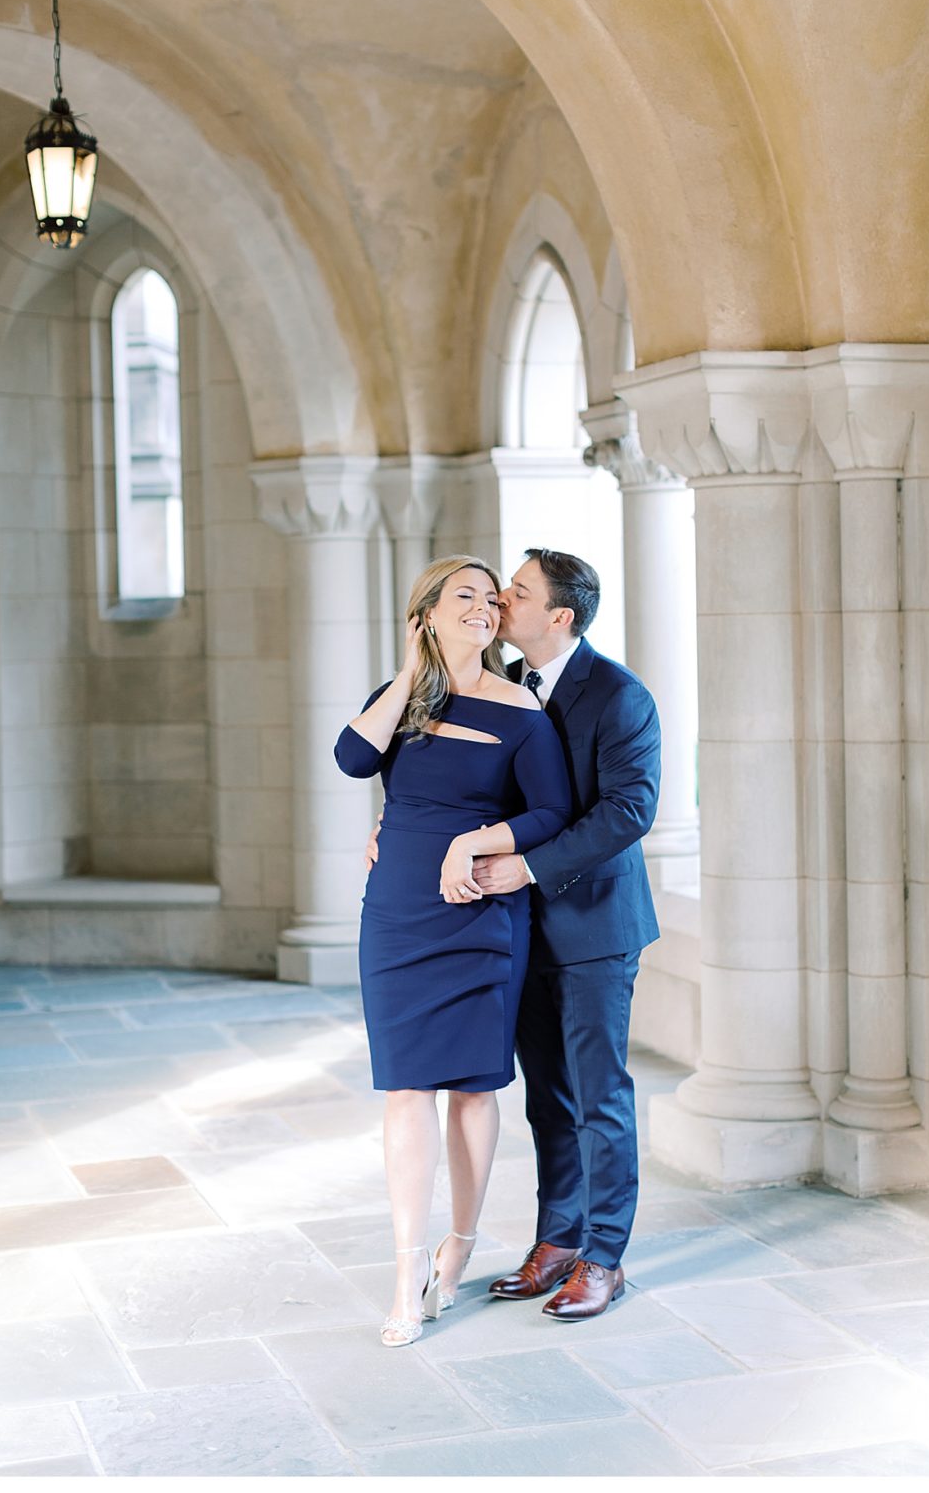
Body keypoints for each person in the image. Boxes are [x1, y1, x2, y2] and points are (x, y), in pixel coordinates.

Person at [335, 555, 571, 1347]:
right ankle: (406, 1275)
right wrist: (411, 671)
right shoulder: (396, 698)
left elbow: (551, 812)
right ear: (426, 613)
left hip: (478, 913)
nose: (481, 605)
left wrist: (476, 839)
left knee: (473, 1089)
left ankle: (459, 1247)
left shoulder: (522, 710)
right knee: (404, 1090)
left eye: (489, 597)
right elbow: (353, 759)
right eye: (461, 595)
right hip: (397, 912)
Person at [468, 549, 661, 1320]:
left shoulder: (620, 696)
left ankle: (605, 1257)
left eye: (518, 593)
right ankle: (558, 1239)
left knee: (598, 1096)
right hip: (519, 928)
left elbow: (629, 811)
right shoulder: (505, 687)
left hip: (594, 927)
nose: (501, 602)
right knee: (545, 1096)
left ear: (560, 616)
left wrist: (530, 869)